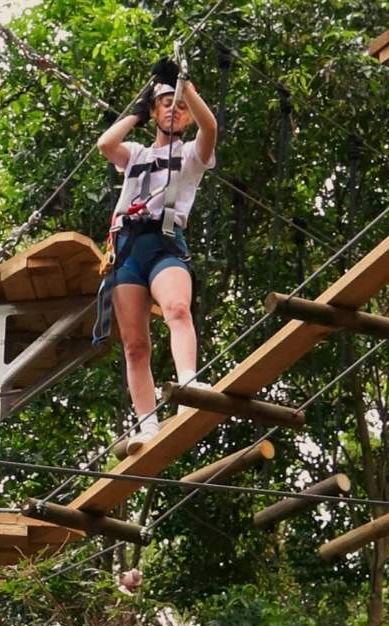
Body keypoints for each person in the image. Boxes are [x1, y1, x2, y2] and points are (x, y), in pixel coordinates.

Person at [92, 57, 219, 445]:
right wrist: (140, 108)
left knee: (177, 309)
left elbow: (211, 127)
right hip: (128, 251)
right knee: (134, 346)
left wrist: (184, 86)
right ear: (154, 111)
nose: (174, 110)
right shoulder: (136, 154)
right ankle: (147, 424)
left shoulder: (193, 155)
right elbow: (105, 144)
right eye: (166, 104)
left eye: (181, 108)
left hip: (165, 243)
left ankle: (189, 384)